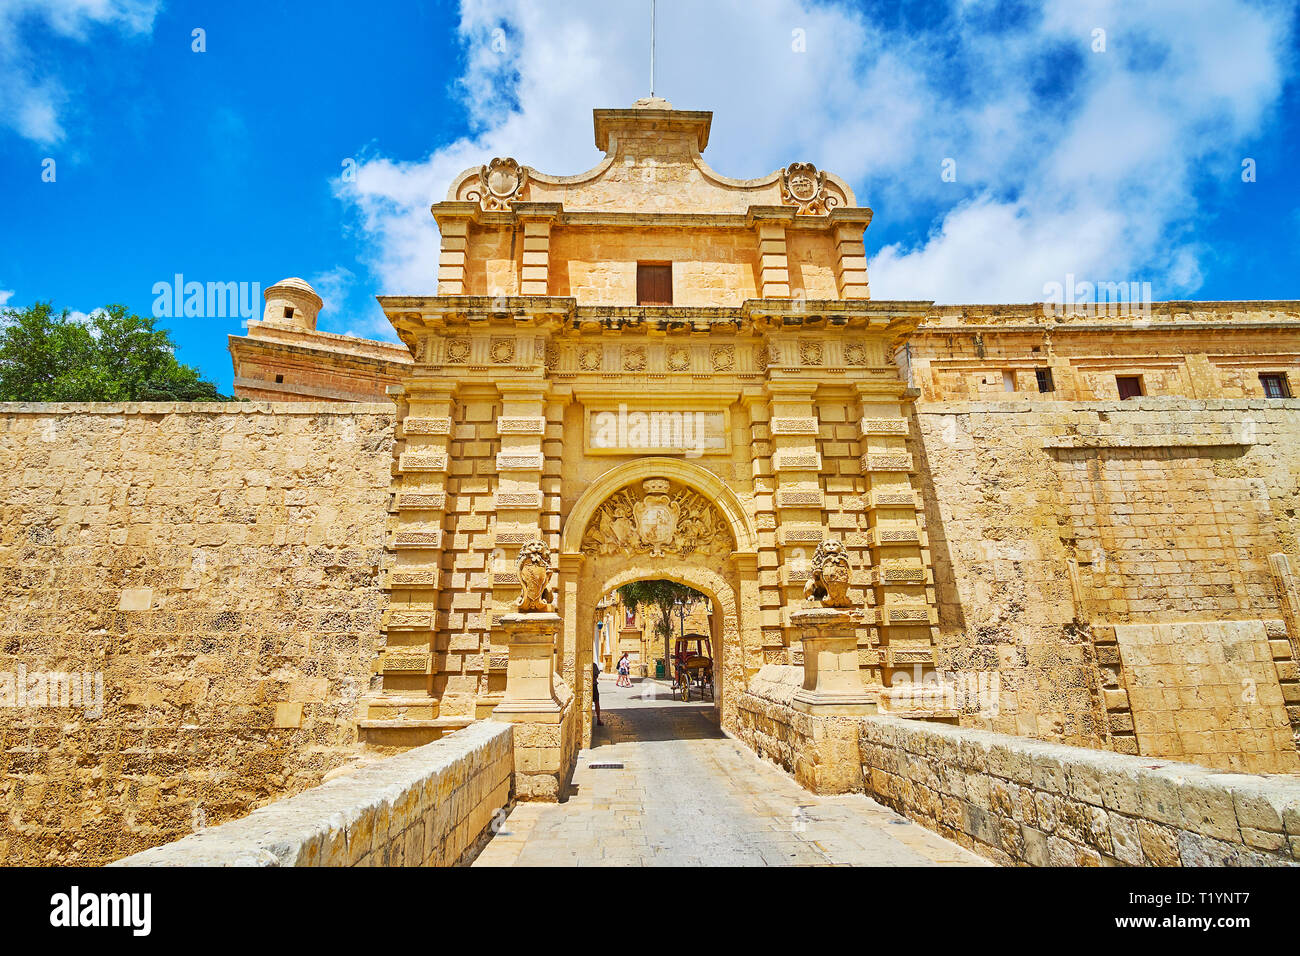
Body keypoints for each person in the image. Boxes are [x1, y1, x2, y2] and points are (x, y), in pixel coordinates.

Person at [592, 659, 604, 726]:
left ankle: (598, 719)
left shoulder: (594, 665)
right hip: (594, 685)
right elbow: (596, 675)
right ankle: (598, 719)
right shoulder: (594, 665)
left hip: (592, 685)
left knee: (596, 702)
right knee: (596, 702)